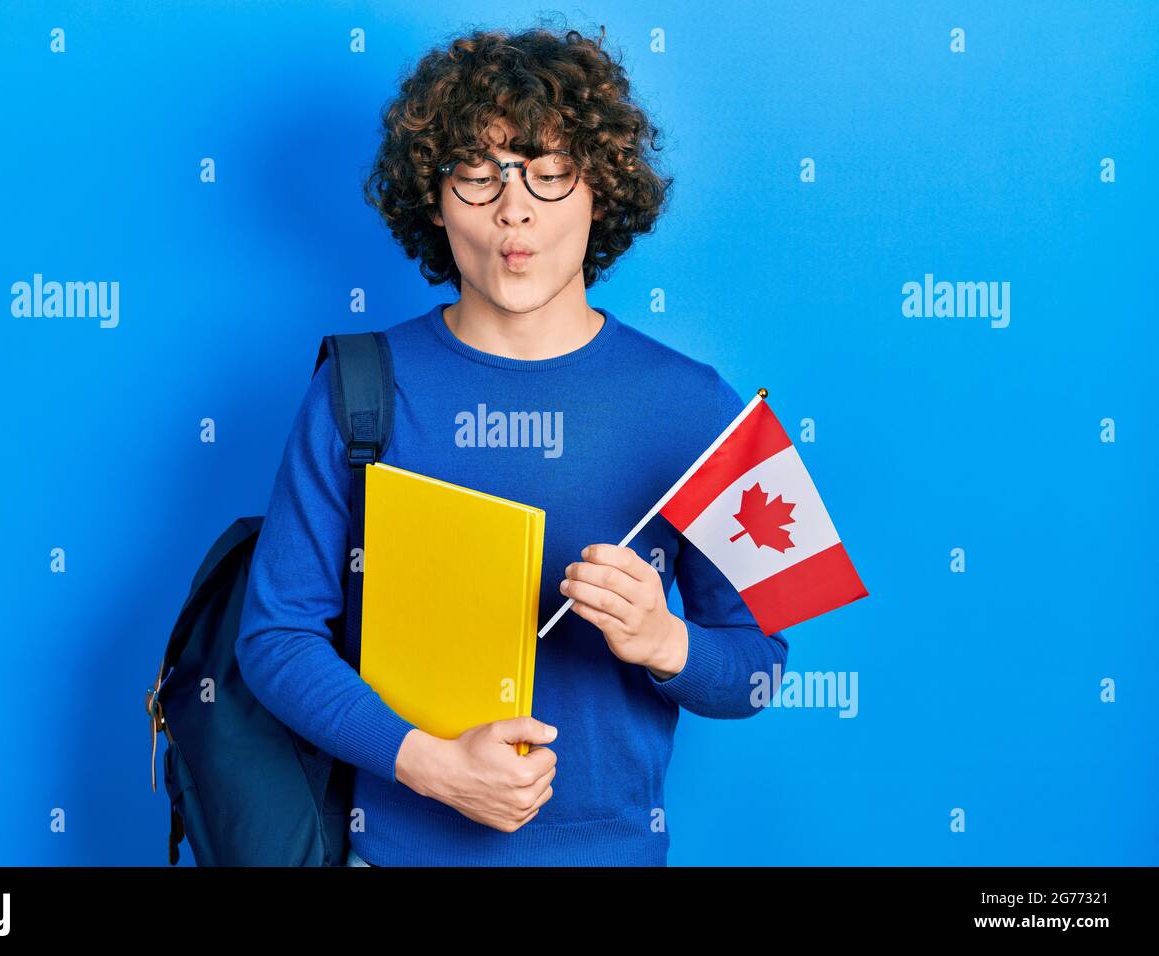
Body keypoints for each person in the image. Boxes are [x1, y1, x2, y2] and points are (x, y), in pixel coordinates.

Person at [235, 24, 788, 867]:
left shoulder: (700, 404)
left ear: (602, 189)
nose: (514, 207)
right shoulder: (355, 388)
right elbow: (275, 638)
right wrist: (427, 766)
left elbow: (764, 665)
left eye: (550, 170)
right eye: (476, 172)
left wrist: (664, 641)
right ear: (433, 196)